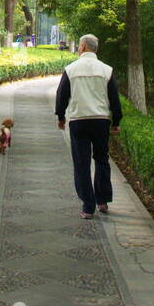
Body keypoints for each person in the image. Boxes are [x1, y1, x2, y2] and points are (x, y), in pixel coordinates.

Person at [55, 34, 122, 219]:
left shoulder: (71, 69)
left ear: (83, 47)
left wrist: (60, 117)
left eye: (78, 46)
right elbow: (114, 99)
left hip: (79, 121)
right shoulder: (107, 70)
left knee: (81, 162)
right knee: (101, 159)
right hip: (101, 121)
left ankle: (87, 206)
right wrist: (116, 122)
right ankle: (102, 200)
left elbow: (61, 96)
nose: (78, 48)